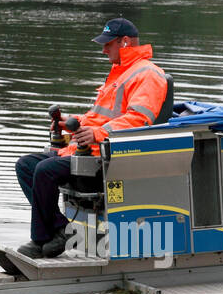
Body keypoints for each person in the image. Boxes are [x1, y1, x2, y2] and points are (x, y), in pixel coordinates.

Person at [15, 18, 169, 259]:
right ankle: (60, 230)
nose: (103, 49)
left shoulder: (148, 74)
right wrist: (71, 122)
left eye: (108, 44)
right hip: (89, 151)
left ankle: (41, 239)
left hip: (110, 159)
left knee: (45, 170)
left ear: (125, 42)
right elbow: (97, 116)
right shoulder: (120, 72)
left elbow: (140, 119)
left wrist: (98, 133)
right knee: (26, 165)